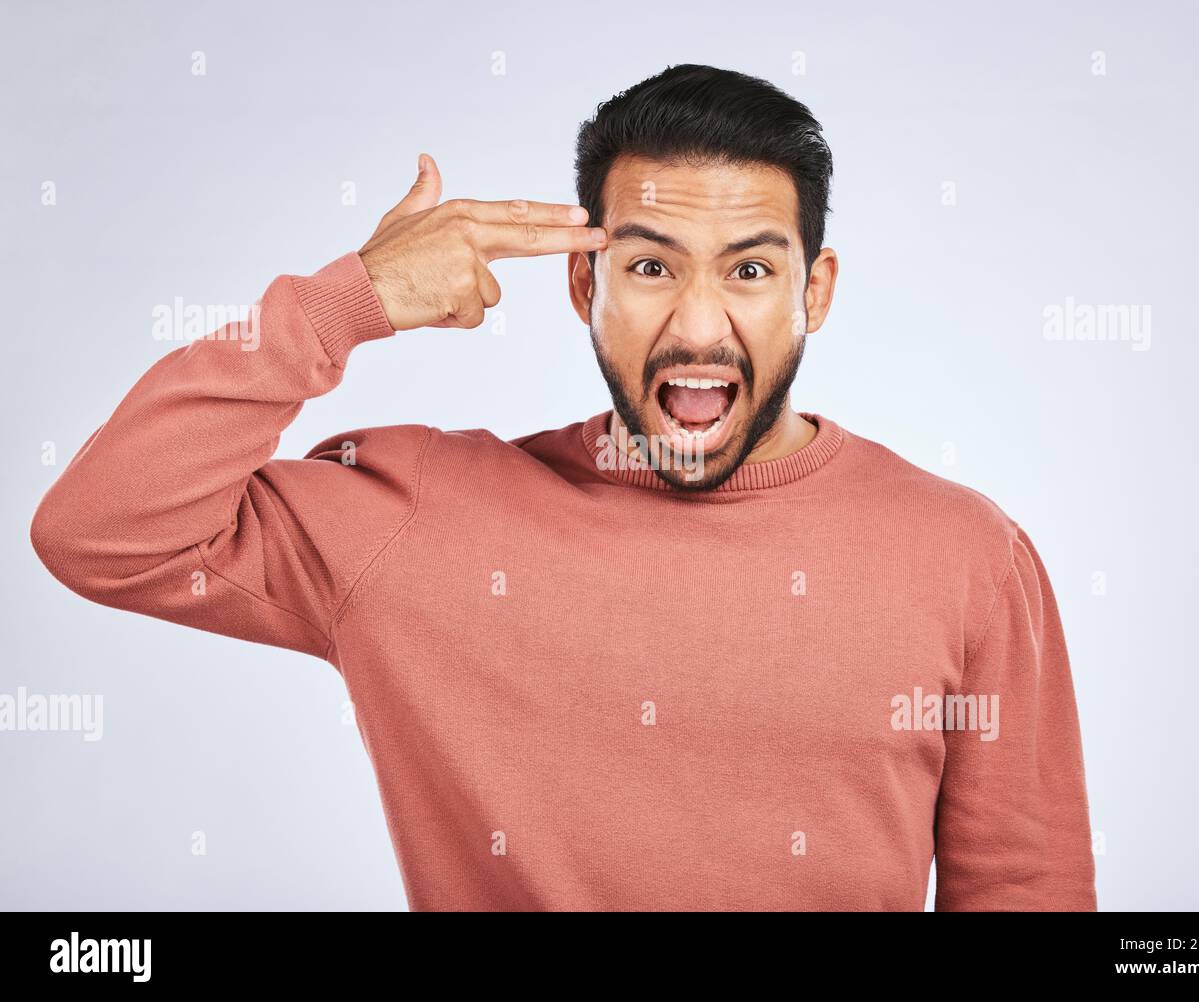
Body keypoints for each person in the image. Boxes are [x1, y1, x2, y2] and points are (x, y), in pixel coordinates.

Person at [30, 63, 1097, 911]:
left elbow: (1026, 894)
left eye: (750, 269)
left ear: (813, 291)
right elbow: (102, 531)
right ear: (581, 284)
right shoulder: (415, 514)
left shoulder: (965, 556)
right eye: (647, 267)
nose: (694, 323)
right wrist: (340, 306)